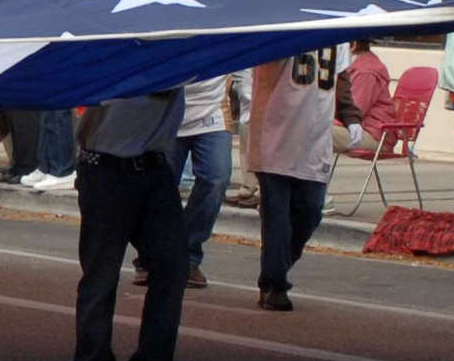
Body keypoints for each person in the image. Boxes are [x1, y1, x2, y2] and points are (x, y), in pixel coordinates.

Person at [65, 86, 197, 361]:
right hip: (105, 167)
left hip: (154, 168)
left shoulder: (184, 46)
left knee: (173, 266)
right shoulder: (116, 40)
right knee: (102, 275)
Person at [246, 45, 337, 313]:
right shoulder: (285, 22)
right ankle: (275, 285)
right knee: (278, 219)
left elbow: (340, 78)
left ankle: (276, 270)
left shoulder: (340, 33)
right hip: (276, 133)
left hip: (316, 137)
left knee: (310, 211)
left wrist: (352, 116)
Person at [144, 72, 237, 291]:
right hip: (167, 107)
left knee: (216, 178)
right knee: (159, 187)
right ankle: (150, 256)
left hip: (213, 110)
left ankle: (188, 254)